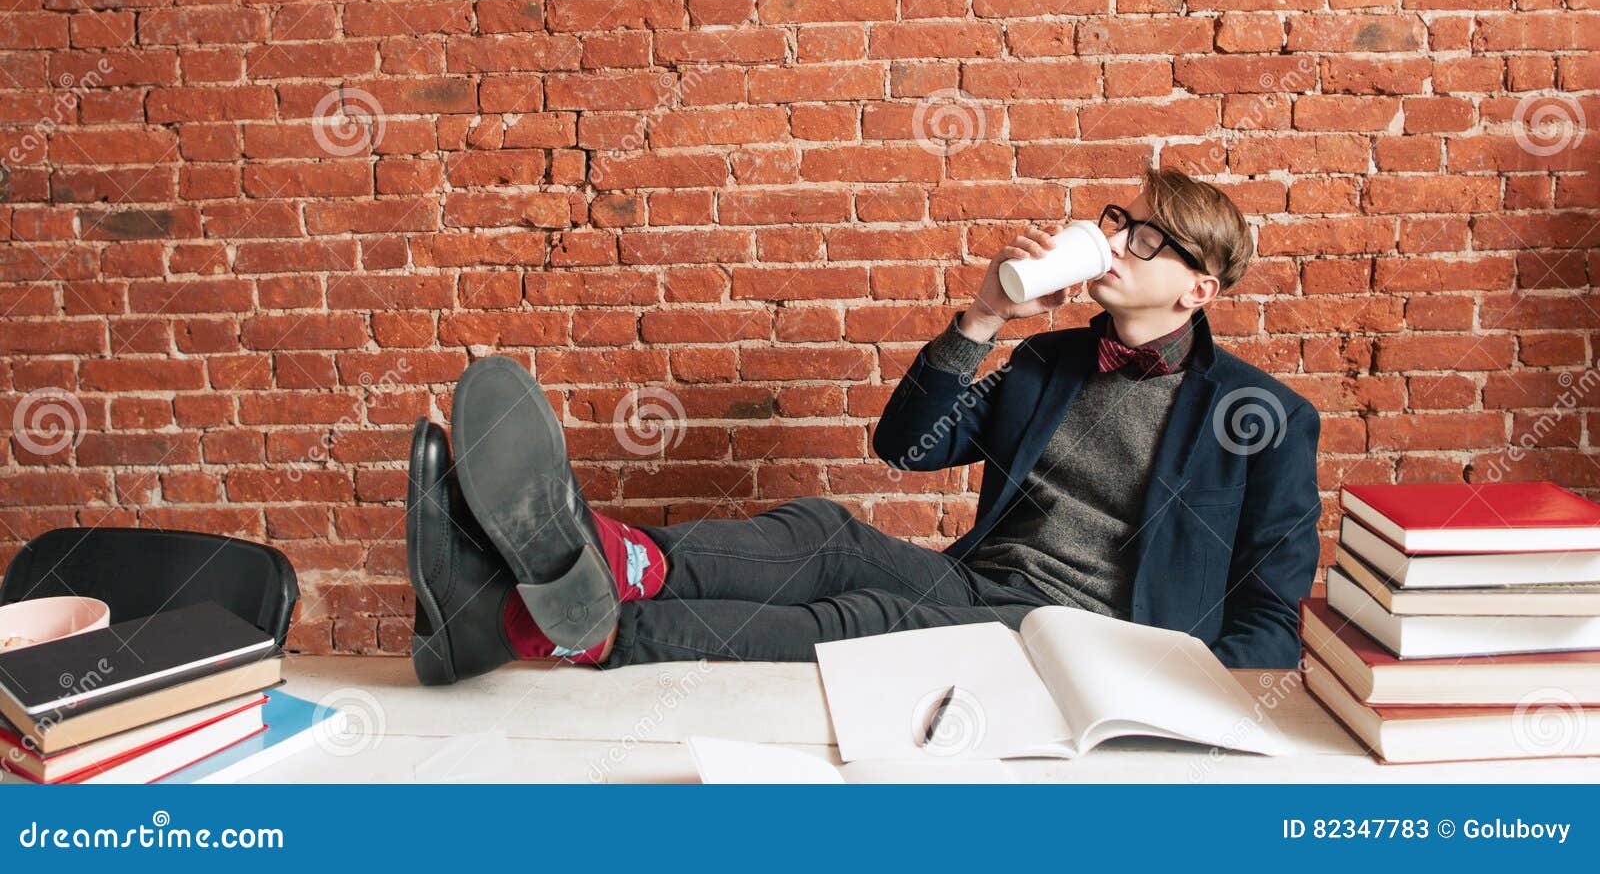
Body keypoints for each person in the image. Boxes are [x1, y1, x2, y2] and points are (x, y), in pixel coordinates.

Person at [404, 165, 1321, 685]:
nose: (1118, 242)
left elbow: (1272, 617)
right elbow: (909, 447)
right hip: (983, 582)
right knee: (823, 532)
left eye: (1150, 239)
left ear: (1199, 288)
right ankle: (593, 568)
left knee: (869, 618)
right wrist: (983, 316)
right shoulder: (1052, 362)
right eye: (1123, 222)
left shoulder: (1266, 419)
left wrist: (1169, 701)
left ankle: (588, 629)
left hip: (1080, 639)